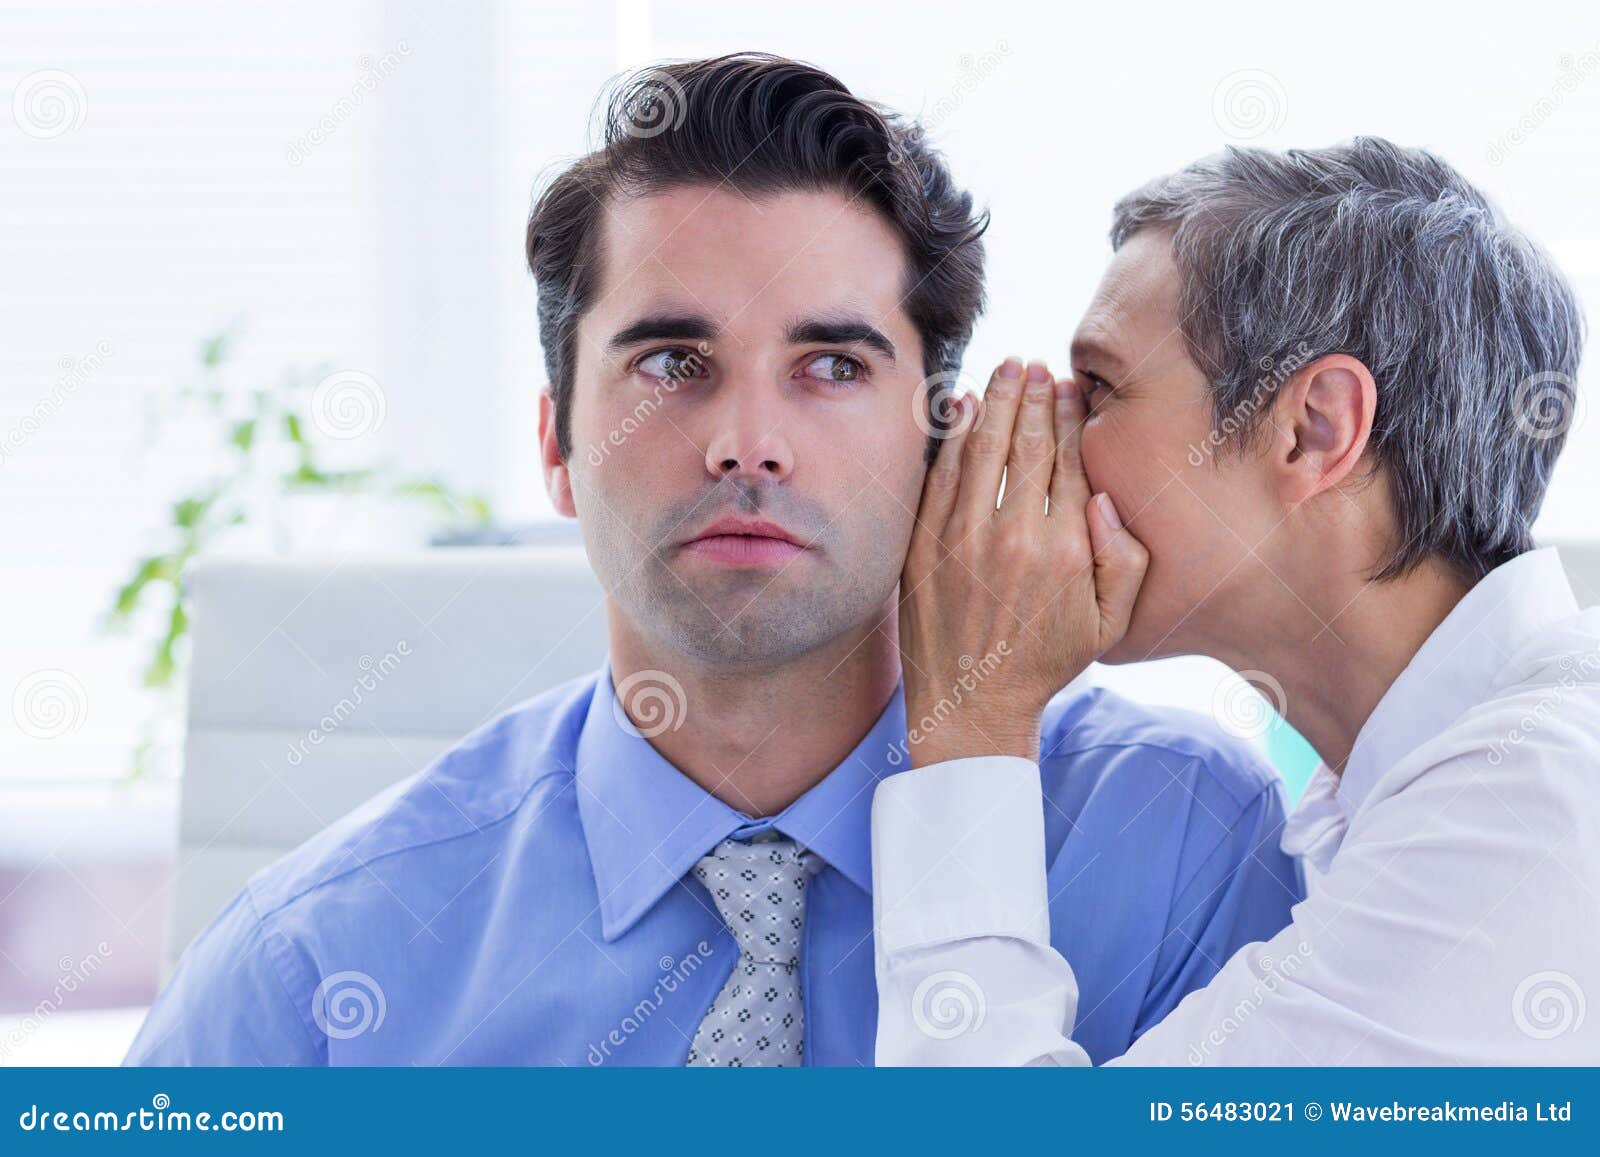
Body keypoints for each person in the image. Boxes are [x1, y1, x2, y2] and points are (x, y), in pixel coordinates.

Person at [123, 54, 1298, 1068]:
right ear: (557, 446)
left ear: (944, 435)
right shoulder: (317, 968)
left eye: (832, 365)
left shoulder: (1181, 850)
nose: (749, 443)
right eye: (673, 362)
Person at [874, 138, 1600, 1064]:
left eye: (1097, 387)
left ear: (1313, 429)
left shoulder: (1533, 807)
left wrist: (973, 727)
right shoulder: (1446, 790)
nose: (1046, 436)